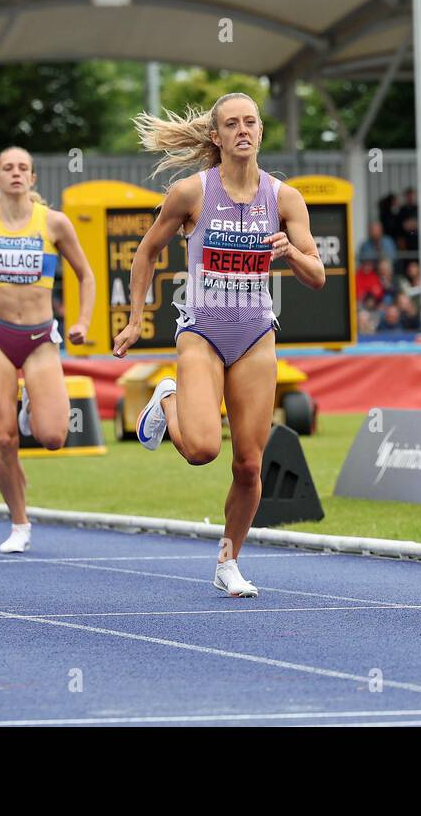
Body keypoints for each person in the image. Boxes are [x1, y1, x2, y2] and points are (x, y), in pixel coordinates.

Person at [114, 93, 326, 597]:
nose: (243, 131)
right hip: (202, 331)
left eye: (250, 122)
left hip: (255, 334)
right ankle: (167, 398)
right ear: (217, 136)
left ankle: (228, 561)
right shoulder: (191, 192)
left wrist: (290, 251)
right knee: (204, 449)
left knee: (249, 464)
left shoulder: (284, 198)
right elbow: (146, 253)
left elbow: (317, 275)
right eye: (231, 124)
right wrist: (135, 319)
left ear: (260, 132)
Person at [0, 147, 95, 553]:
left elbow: (86, 274)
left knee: (52, 436)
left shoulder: (55, 223)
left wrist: (82, 322)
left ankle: (32, 405)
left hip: (41, 340)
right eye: (7, 168)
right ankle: (20, 523)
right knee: (5, 438)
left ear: (33, 179)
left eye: (23, 168)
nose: (15, 173)